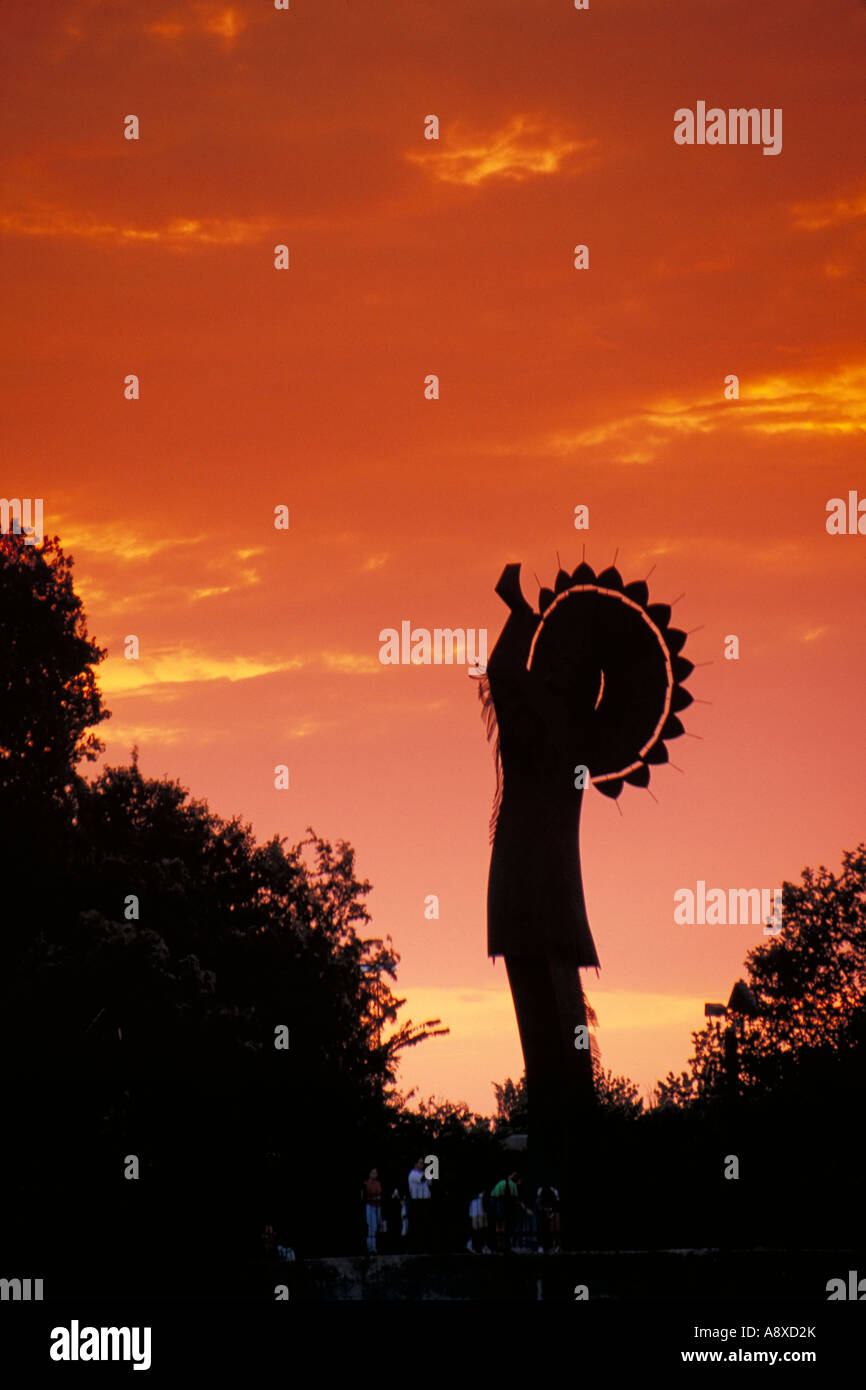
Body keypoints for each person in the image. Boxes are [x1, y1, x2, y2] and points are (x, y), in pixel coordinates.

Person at [489, 1172, 520, 1253]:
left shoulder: (500, 1183)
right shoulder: (512, 1185)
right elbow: (516, 1199)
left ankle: (500, 1246)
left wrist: (493, 1210)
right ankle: (503, 1246)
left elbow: (492, 1196)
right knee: (503, 1227)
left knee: (499, 1227)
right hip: (505, 1208)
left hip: (499, 1206)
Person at [407, 1157, 432, 1251]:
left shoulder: (423, 1173)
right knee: (414, 1224)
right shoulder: (412, 1174)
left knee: (424, 1224)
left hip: (424, 1201)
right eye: (420, 1163)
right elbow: (422, 1179)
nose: (422, 1165)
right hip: (416, 1201)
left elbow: (429, 1183)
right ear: (415, 1164)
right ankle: (412, 1247)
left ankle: (423, 1246)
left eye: (423, 1163)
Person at [361, 1167, 384, 1254]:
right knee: (372, 1227)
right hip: (370, 1206)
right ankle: (371, 1248)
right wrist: (374, 1198)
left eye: (376, 1172)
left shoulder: (378, 1183)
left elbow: (380, 1193)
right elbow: (366, 1195)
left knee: (377, 1227)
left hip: (378, 1207)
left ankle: (376, 1247)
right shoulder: (366, 1183)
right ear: (369, 1174)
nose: (375, 1174)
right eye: (373, 1172)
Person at [535, 1181, 561, 1254]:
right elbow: (538, 1203)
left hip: (553, 1211)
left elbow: (557, 1202)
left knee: (555, 1229)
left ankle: (556, 1245)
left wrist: (552, 1212)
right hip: (545, 1212)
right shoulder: (541, 1193)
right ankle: (544, 1246)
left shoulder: (553, 1192)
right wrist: (544, 1210)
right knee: (545, 1229)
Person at [466, 1189, 490, 1254]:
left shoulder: (481, 1198)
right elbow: (471, 1208)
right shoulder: (475, 1199)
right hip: (476, 1215)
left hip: (480, 1214)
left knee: (481, 1231)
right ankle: (472, 1245)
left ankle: (482, 1247)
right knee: (476, 1231)